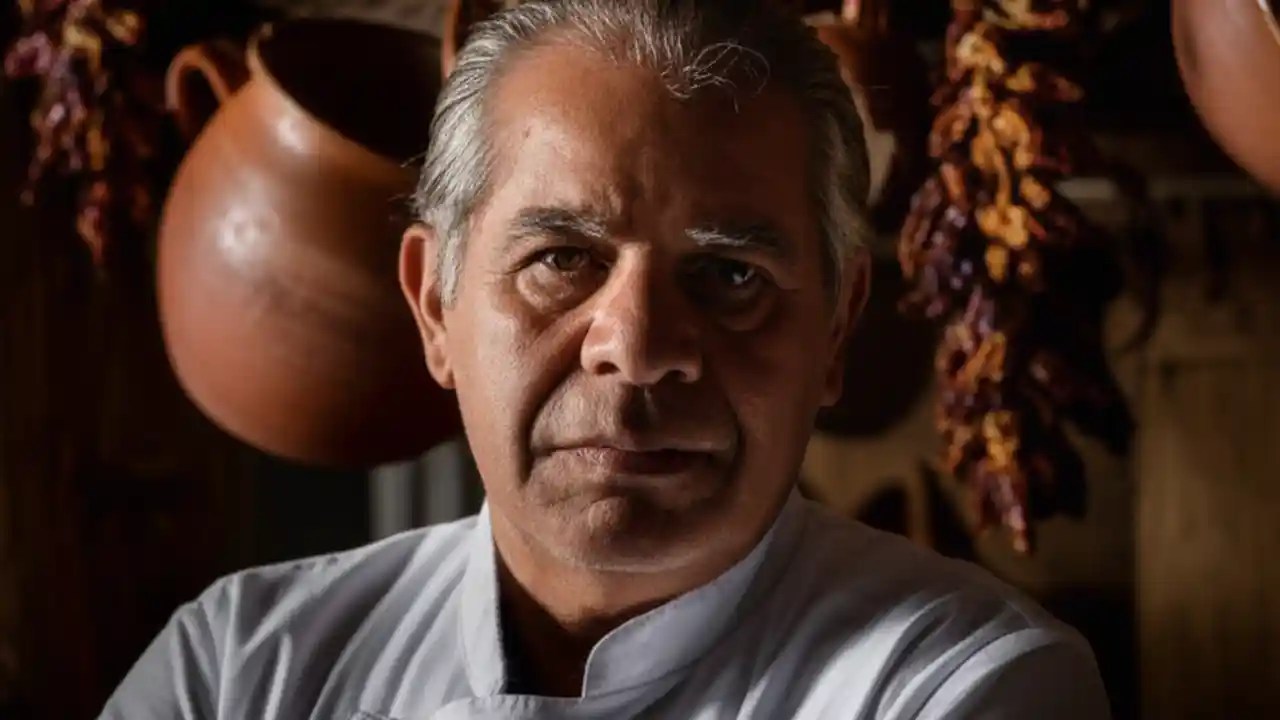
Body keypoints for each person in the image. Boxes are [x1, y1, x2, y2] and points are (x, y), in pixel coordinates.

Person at [101, 1, 1110, 718]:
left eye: (729, 275)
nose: (636, 348)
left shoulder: (959, 685)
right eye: (561, 259)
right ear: (436, 306)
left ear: (837, 329)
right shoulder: (236, 669)